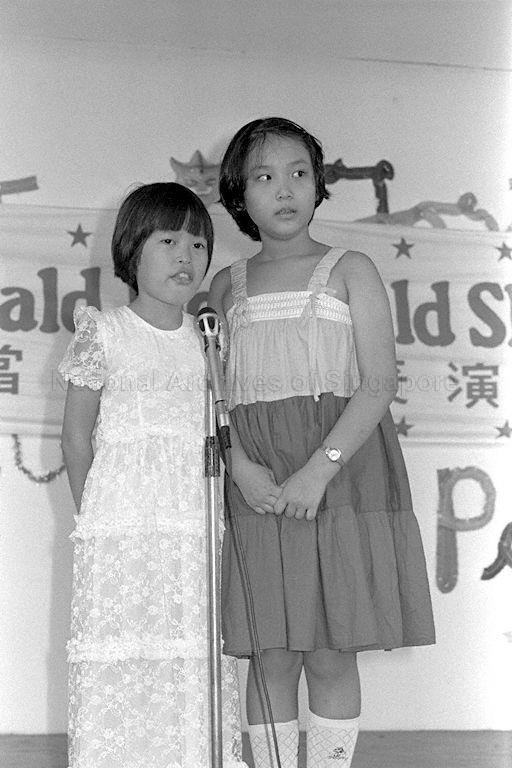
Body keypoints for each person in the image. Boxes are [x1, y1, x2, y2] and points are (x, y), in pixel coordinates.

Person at [209, 118, 435, 768]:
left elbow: (378, 382)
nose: (285, 189)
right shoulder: (225, 286)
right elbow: (215, 400)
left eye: (299, 173)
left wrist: (319, 470)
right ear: (239, 194)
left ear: (318, 185)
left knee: (331, 647)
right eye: (264, 176)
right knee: (270, 650)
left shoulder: (351, 269)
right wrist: (238, 464)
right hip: (259, 483)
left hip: (339, 475)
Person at [59, 182, 247, 768]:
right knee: (126, 649)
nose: (185, 257)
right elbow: (76, 434)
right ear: (131, 248)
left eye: (197, 243)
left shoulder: (208, 340)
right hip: (121, 520)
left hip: (193, 521)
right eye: (169, 240)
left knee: (191, 650)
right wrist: (93, 515)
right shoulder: (105, 331)